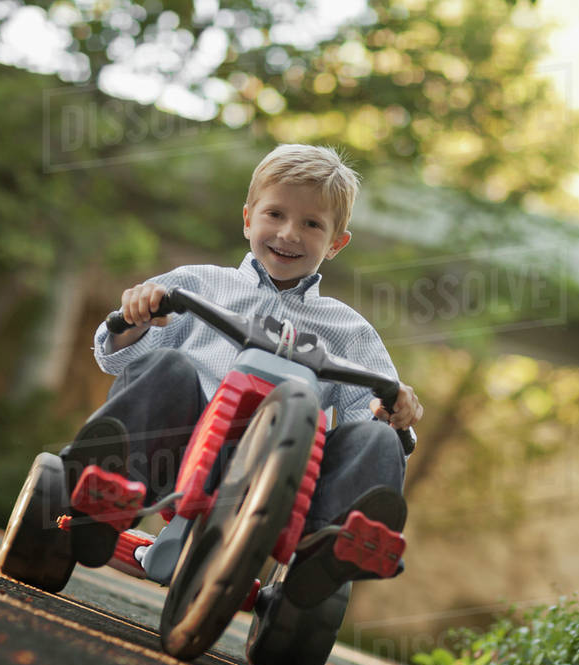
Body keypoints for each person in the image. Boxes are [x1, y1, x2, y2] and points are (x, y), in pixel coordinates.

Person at [61, 143, 422, 608]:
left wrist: (394, 412)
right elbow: (116, 359)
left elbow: (369, 414)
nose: (289, 234)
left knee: (379, 440)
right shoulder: (197, 286)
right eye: (276, 214)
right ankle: (110, 488)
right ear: (249, 218)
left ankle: (328, 549)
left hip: (289, 477)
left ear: (335, 243)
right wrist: (136, 319)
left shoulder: (350, 331)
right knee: (168, 365)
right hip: (180, 448)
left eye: (312, 224)